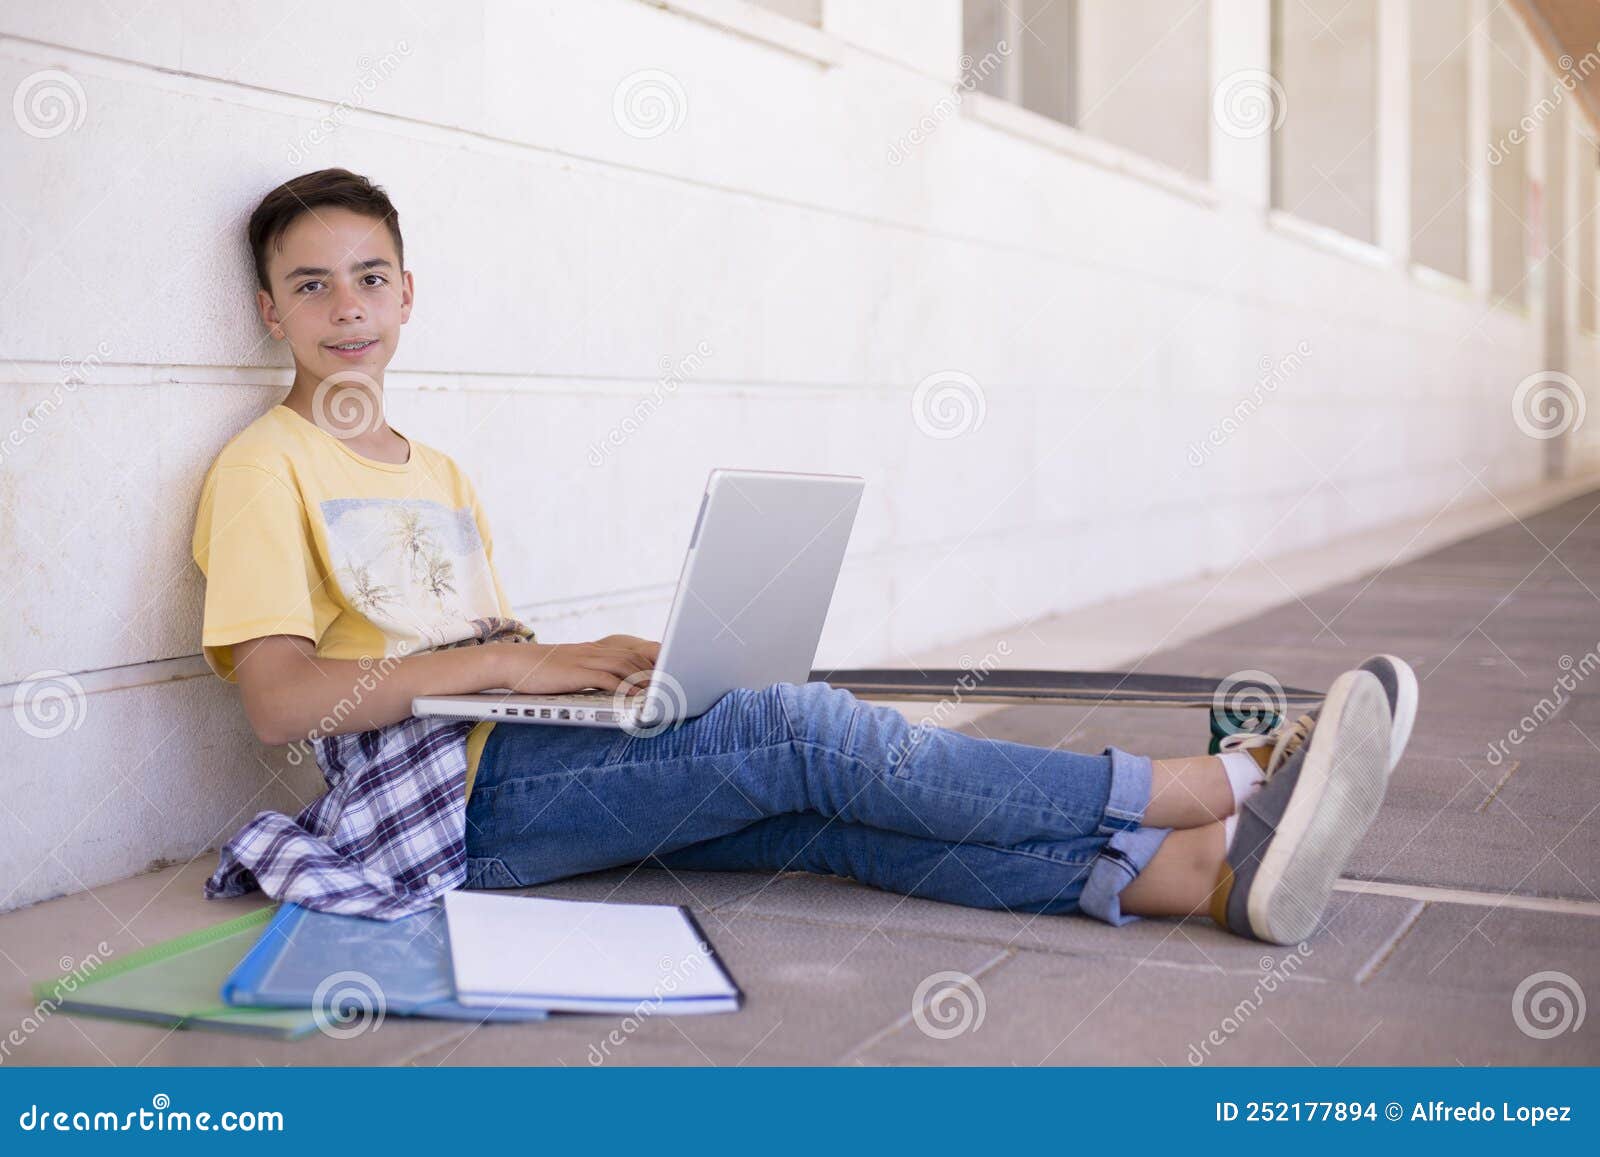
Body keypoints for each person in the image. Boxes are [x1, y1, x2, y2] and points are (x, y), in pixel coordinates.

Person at [192, 169, 1417, 947]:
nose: (345, 306)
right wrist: (539, 662)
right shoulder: (266, 464)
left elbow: (468, 657)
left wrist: (571, 671)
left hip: (518, 752)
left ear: (408, 295)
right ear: (272, 313)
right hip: (440, 806)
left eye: (367, 279)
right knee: (799, 730)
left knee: (816, 810)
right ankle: (1179, 791)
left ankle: (1188, 882)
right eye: (311, 285)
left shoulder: (437, 468)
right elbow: (280, 697)